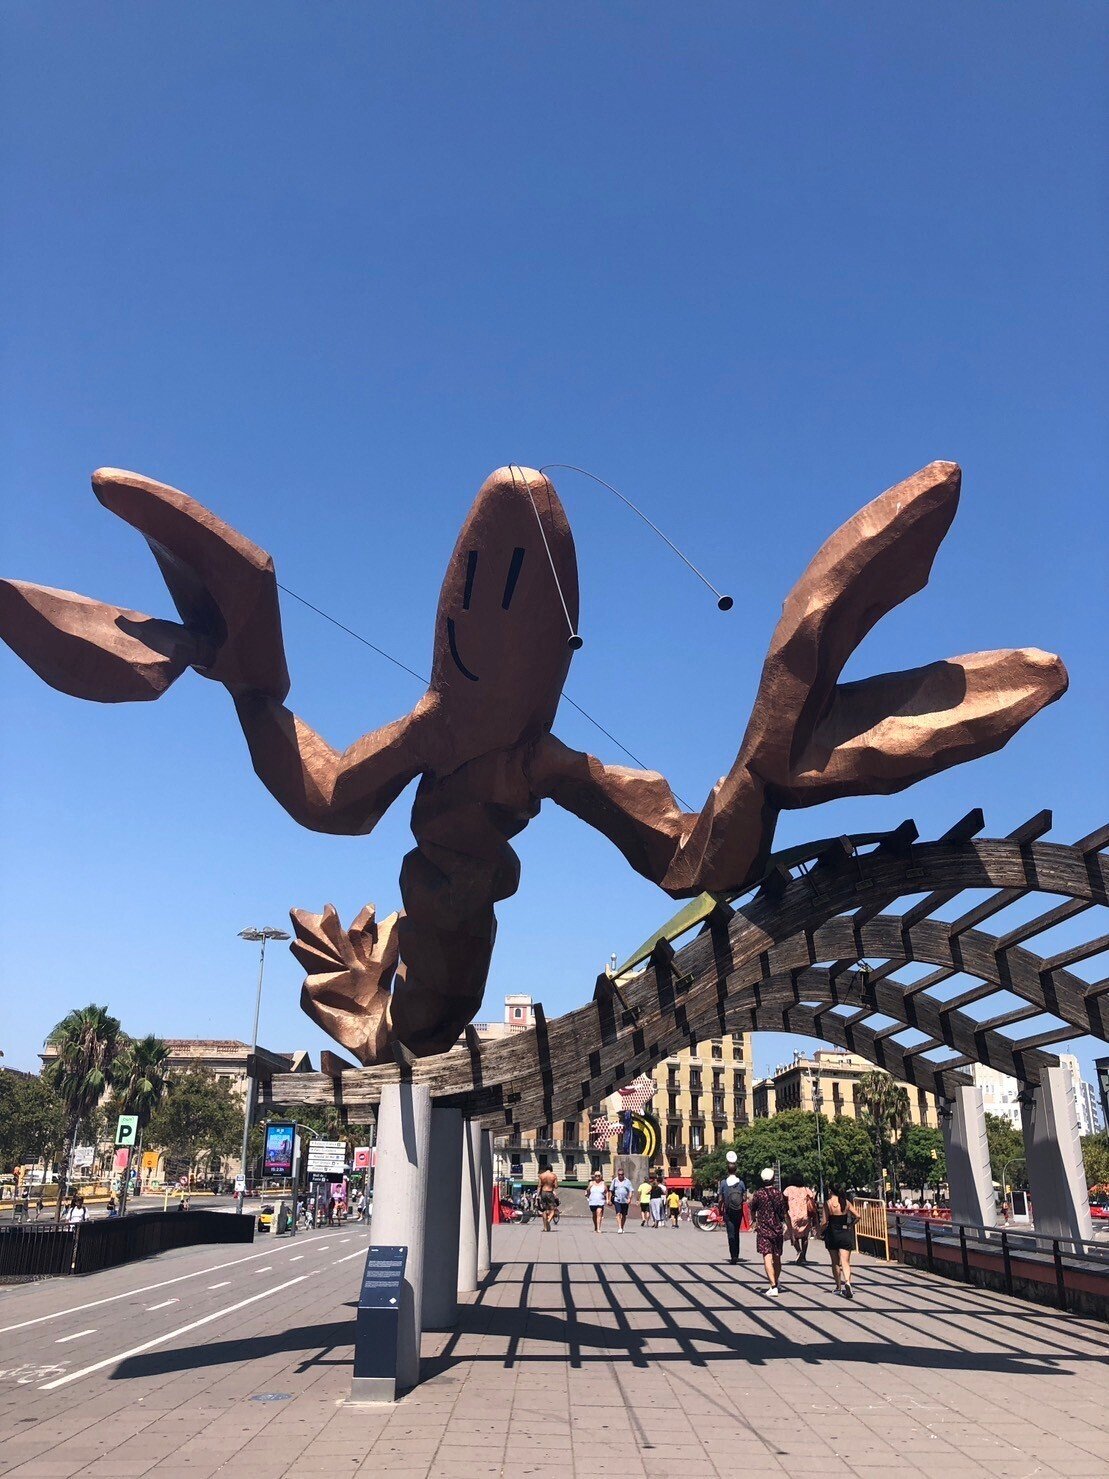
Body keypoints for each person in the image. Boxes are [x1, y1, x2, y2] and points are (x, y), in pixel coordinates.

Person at [748, 1168, 789, 1298]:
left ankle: (773, 1286)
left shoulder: (759, 1194)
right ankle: (775, 1282)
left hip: (764, 1229)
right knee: (777, 1257)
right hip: (777, 1229)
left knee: (767, 1257)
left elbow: (752, 1208)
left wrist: (754, 1221)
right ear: (773, 1179)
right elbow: (784, 1212)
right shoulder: (779, 1193)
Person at [820, 1187, 859, 1298]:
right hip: (844, 1232)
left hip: (832, 1233)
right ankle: (847, 1282)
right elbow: (858, 1216)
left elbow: (824, 1222)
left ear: (831, 1191)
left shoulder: (828, 1203)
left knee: (835, 1262)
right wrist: (851, 1225)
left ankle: (838, 1287)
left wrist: (819, 1232)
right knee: (845, 1261)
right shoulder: (846, 1202)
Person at [717, 1151, 747, 1265]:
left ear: (727, 1170)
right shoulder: (741, 1183)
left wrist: (720, 1209)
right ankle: (737, 1254)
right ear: (736, 1170)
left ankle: (732, 1256)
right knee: (737, 1232)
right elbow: (744, 1197)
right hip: (738, 1210)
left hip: (728, 1211)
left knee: (730, 1233)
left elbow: (720, 1199)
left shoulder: (724, 1183)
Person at [783, 1178, 817, 1264]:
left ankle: (799, 1251)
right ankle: (804, 1257)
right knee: (805, 1237)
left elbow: (784, 1200)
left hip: (793, 1216)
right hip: (805, 1216)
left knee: (793, 1235)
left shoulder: (788, 1189)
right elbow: (812, 1200)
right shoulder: (806, 1190)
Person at [610, 1165, 634, 1233]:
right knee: (618, 1213)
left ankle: (622, 1227)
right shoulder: (615, 1180)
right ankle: (619, 1227)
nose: (620, 1176)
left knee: (624, 1215)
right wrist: (609, 1199)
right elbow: (611, 1190)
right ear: (618, 1174)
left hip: (625, 1200)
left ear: (623, 1174)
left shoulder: (627, 1181)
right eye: (619, 1174)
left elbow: (631, 1191)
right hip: (617, 1199)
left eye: (622, 1174)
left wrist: (629, 1198)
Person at [537, 1165, 560, 1232]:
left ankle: (545, 1228)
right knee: (552, 1209)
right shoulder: (553, 1176)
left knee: (544, 1210)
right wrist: (552, 1184)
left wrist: (538, 1195)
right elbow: (556, 1186)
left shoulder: (541, 1175)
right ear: (551, 1169)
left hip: (543, 1193)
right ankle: (549, 1220)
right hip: (550, 1192)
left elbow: (539, 1186)